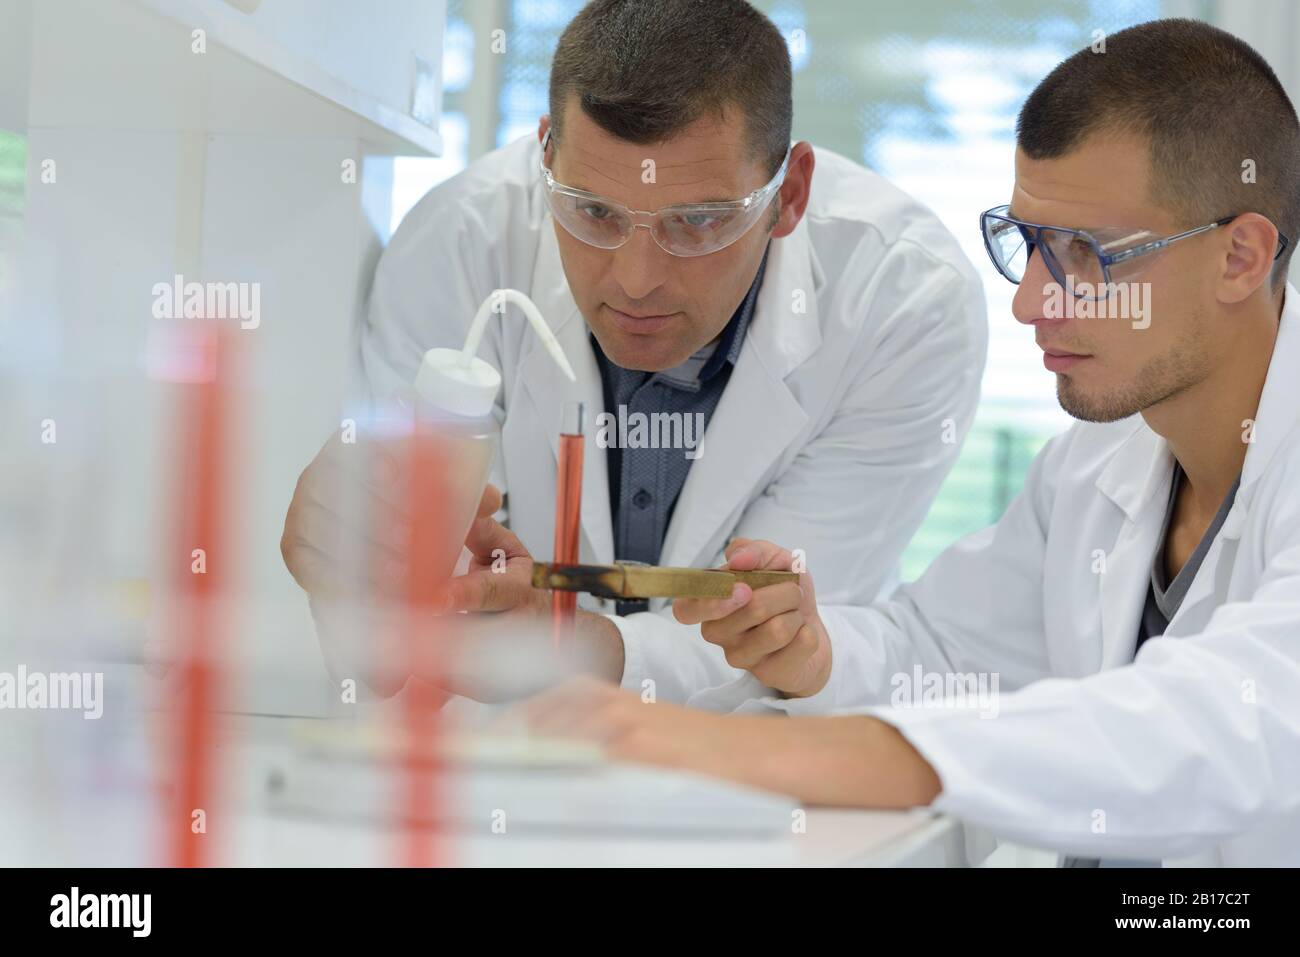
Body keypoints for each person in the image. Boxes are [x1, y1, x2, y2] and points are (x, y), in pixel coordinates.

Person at [523, 18, 1300, 867]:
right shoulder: (1097, 469)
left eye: (1085, 252)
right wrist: (815, 652)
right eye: (1027, 244)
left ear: (1240, 256)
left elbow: (1236, 717)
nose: (1032, 303)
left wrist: (761, 750)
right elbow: (940, 653)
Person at [280, 0, 986, 700]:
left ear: (788, 194)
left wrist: (578, 650)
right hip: (492, 774)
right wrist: (354, 574)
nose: (636, 280)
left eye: (698, 222)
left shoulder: (903, 301)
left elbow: (782, 634)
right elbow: (394, 642)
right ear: (544, 155)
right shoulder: (459, 246)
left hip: (750, 780)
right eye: (594, 212)